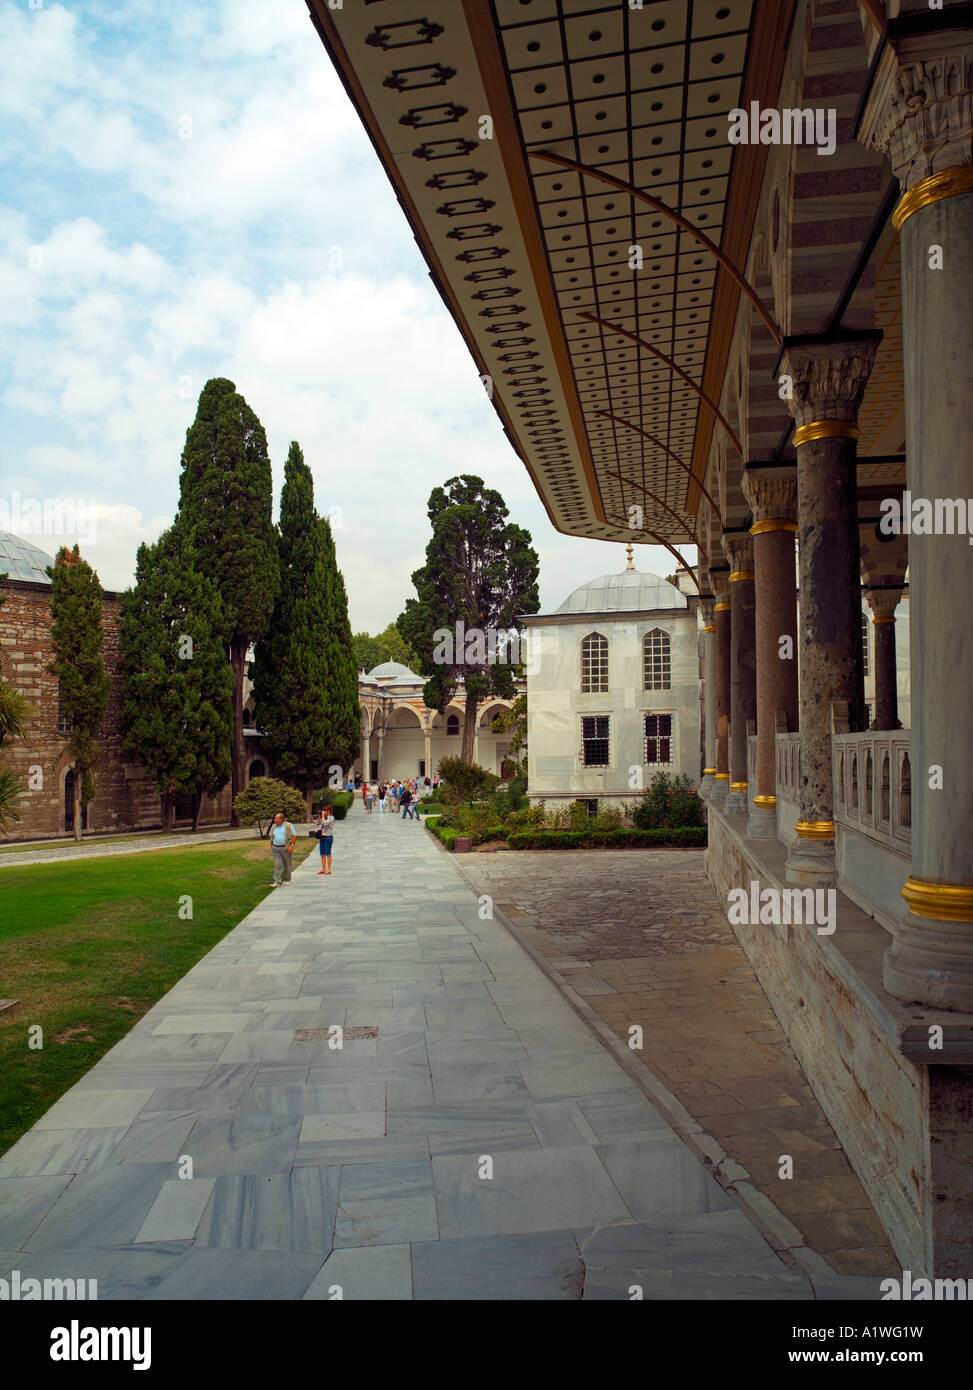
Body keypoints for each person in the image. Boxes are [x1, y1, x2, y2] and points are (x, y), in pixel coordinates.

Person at [268, 811, 297, 886]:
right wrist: (272, 844)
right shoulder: (274, 826)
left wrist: (291, 845)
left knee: (287, 864)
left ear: (281, 819)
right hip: (276, 848)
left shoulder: (289, 825)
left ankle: (287, 879)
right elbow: (272, 836)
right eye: (274, 818)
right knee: (277, 865)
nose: (274, 820)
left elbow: (294, 836)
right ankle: (277, 881)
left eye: (276, 818)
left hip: (286, 848)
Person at [316, 803, 335, 875]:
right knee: (322, 854)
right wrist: (319, 817)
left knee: (328, 853)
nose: (324, 812)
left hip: (329, 837)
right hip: (322, 836)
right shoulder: (323, 817)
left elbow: (326, 824)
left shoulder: (331, 817)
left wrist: (323, 817)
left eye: (326, 810)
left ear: (329, 811)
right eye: (324, 810)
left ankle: (329, 869)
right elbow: (317, 823)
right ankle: (323, 868)